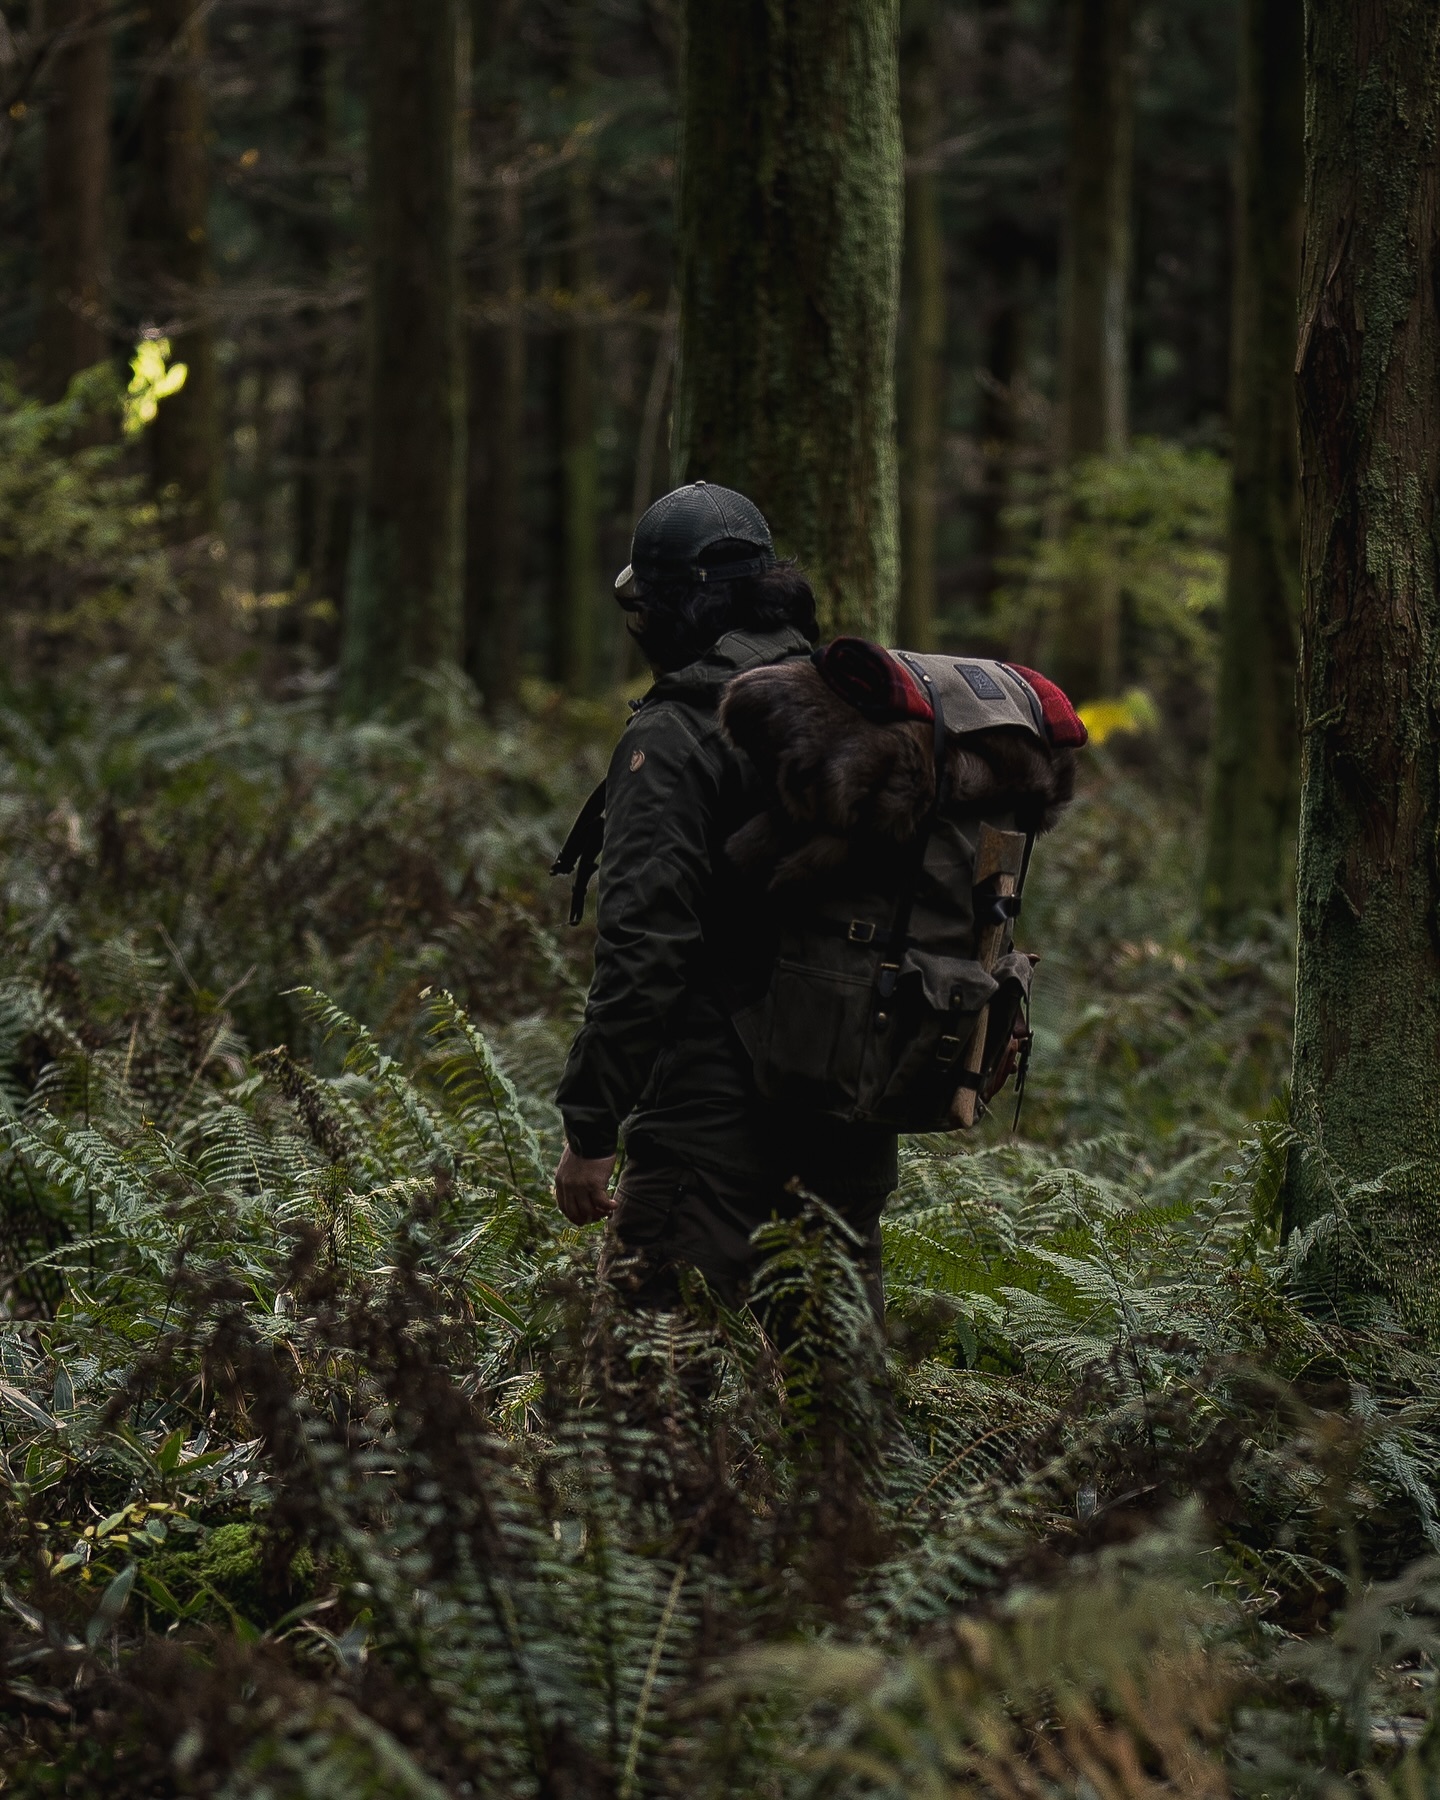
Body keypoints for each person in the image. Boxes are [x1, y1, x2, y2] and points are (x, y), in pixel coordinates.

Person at [552, 481, 897, 1320]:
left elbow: (643, 948)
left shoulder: (675, 734)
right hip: (848, 1111)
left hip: (709, 1132)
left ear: (668, 607)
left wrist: (590, 1134)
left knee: (649, 1401)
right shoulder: (855, 711)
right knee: (833, 1405)